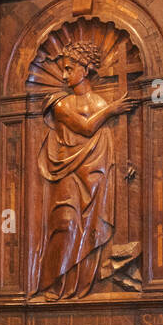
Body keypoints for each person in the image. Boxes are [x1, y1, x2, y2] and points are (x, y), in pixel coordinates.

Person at [32, 41, 139, 300]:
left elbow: (108, 142)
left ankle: (80, 288)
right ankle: (52, 284)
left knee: (91, 229)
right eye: (64, 70)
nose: (66, 75)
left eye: (70, 69)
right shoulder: (60, 104)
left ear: (86, 68)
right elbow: (87, 127)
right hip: (67, 174)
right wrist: (111, 110)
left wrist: (125, 163)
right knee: (65, 224)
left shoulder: (99, 101)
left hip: (95, 176)